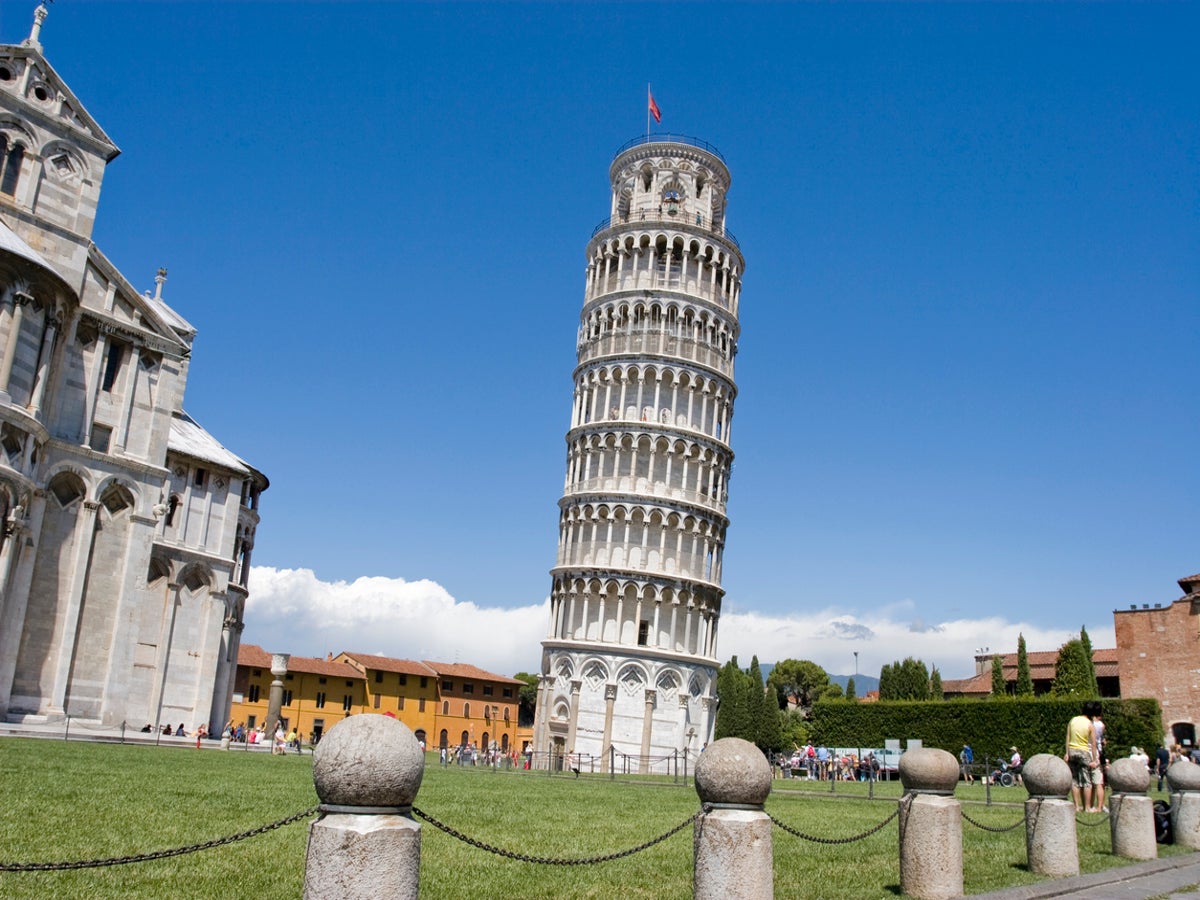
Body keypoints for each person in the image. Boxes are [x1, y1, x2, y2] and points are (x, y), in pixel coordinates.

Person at [1064, 699, 1101, 812]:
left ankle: (1076, 806)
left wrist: (1067, 753)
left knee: (1074, 780)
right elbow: (1093, 744)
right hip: (1083, 752)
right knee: (1086, 781)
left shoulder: (1073, 720)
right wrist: (1094, 759)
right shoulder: (1090, 724)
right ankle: (1087, 807)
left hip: (1072, 750)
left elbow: (1068, 737)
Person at [1090, 710, 1107, 813]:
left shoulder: (1089, 723)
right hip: (1098, 752)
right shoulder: (1101, 725)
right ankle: (1100, 806)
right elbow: (1101, 740)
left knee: (1091, 783)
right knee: (1099, 782)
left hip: (1089, 751)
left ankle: (1090, 805)